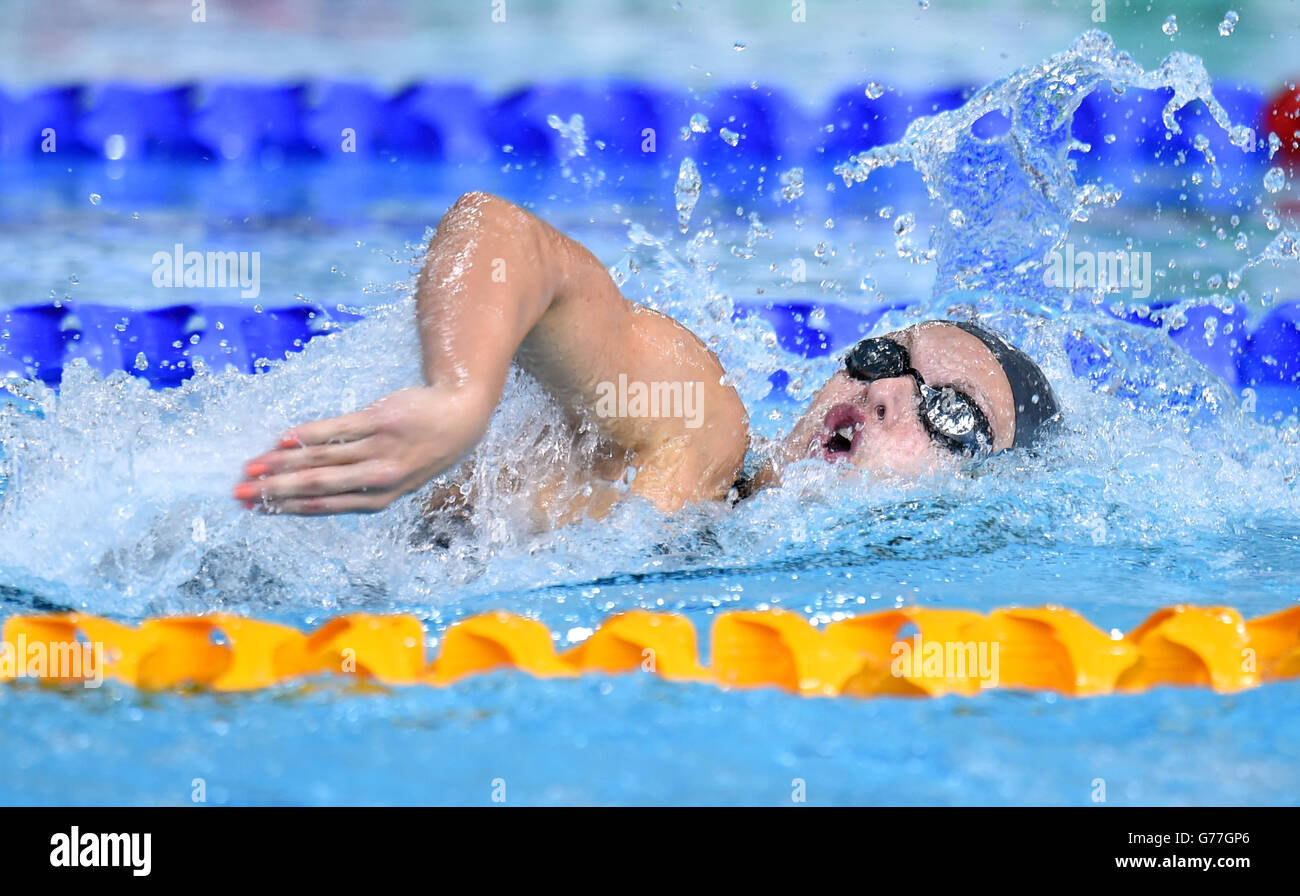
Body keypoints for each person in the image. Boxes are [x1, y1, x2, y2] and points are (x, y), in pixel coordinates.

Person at [233, 192, 1059, 521]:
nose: (887, 394)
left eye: (950, 414)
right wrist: (460, 395)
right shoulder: (700, 431)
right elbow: (499, 235)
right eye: (887, 356)